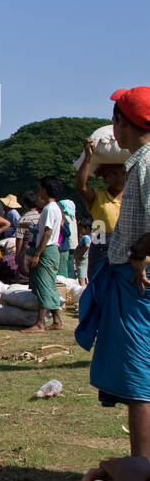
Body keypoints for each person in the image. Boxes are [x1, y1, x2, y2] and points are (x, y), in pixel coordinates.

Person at [77, 87, 150, 460]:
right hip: (125, 273)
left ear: (124, 122)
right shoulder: (139, 163)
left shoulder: (146, 163)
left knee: (138, 376)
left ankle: (143, 469)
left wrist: (140, 252)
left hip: (137, 280)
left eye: (116, 119)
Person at [24, 176, 66, 332]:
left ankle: (40, 323)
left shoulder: (49, 208)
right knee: (48, 285)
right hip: (52, 249)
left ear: (45, 189)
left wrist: (37, 254)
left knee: (43, 285)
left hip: (47, 250)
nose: (38, 190)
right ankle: (56, 320)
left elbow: (47, 232)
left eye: (40, 187)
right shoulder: (56, 208)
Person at [77, 138, 125, 274]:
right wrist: (87, 158)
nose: (120, 178)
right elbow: (81, 187)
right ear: (104, 176)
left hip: (126, 248)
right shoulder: (98, 196)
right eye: (114, 174)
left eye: (123, 173)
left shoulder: (132, 196)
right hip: (101, 246)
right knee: (100, 287)